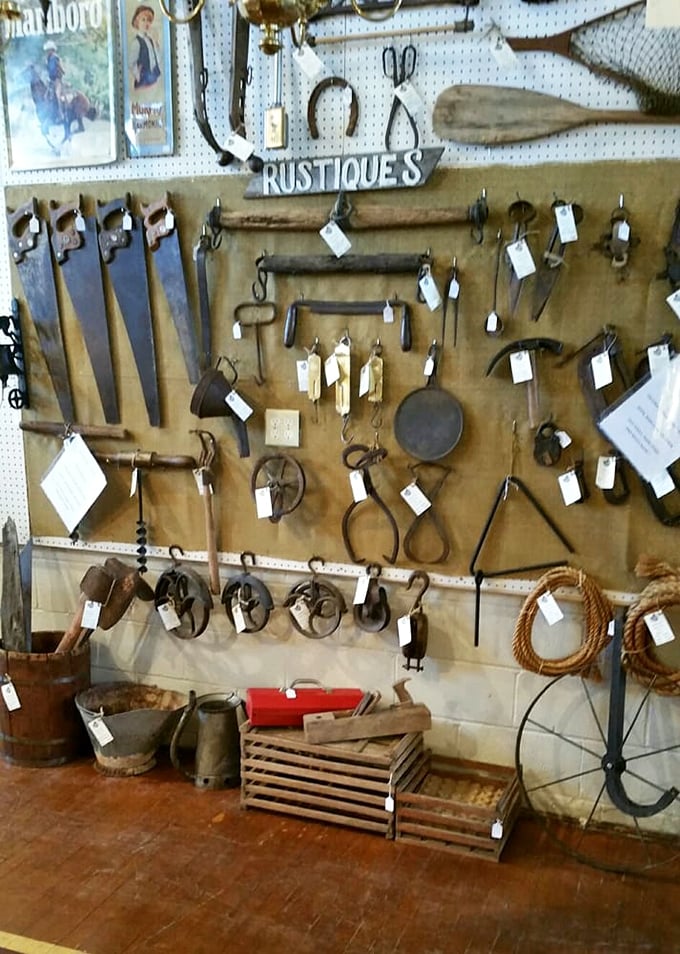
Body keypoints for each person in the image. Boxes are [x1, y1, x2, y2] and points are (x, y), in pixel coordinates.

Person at [131, 4, 161, 89]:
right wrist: (138, 75)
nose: (146, 23)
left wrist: (155, 43)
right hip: (144, 79)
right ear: (137, 22)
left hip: (154, 75)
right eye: (143, 20)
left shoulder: (150, 40)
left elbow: (157, 59)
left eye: (149, 21)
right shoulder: (136, 42)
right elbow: (132, 63)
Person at [43, 40, 64, 118]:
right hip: (50, 80)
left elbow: (61, 69)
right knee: (45, 96)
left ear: (52, 50)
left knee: (57, 95)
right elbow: (47, 70)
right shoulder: (47, 60)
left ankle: (60, 113)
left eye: (49, 50)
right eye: (47, 50)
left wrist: (60, 71)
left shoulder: (56, 58)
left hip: (57, 80)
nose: (47, 52)